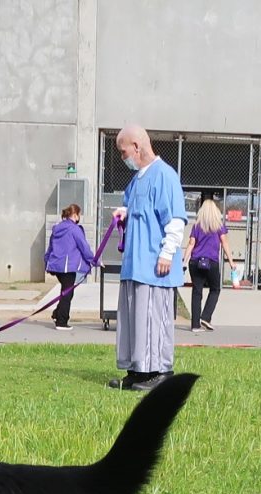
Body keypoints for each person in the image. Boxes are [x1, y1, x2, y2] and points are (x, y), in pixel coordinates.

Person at [108, 125, 186, 391]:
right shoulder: (137, 180)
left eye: (123, 151)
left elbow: (175, 218)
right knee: (134, 320)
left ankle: (159, 372)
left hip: (154, 266)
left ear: (137, 147)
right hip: (134, 264)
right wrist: (124, 212)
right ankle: (138, 370)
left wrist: (167, 252)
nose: (123, 157)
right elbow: (136, 208)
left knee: (153, 319)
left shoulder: (165, 176)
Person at [43, 203, 95, 332]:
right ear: (75, 215)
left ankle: (57, 313)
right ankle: (61, 321)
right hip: (68, 266)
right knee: (67, 293)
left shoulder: (57, 228)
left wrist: (47, 261)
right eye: (79, 215)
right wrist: (95, 260)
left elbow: (50, 247)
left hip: (57, 266)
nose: (79, 218)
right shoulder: (74, 229)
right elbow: (84, 247)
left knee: (66, 291)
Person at [185, 195, 233, 332]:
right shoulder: (219, 226)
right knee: (215, 289)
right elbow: (225, 243)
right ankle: (205, 316)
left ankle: (195, 325)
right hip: (211, 262)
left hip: (195, 262)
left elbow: (191, 244)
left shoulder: (196, 226)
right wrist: (231, 261)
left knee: (197, 291)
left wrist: (184, 260)